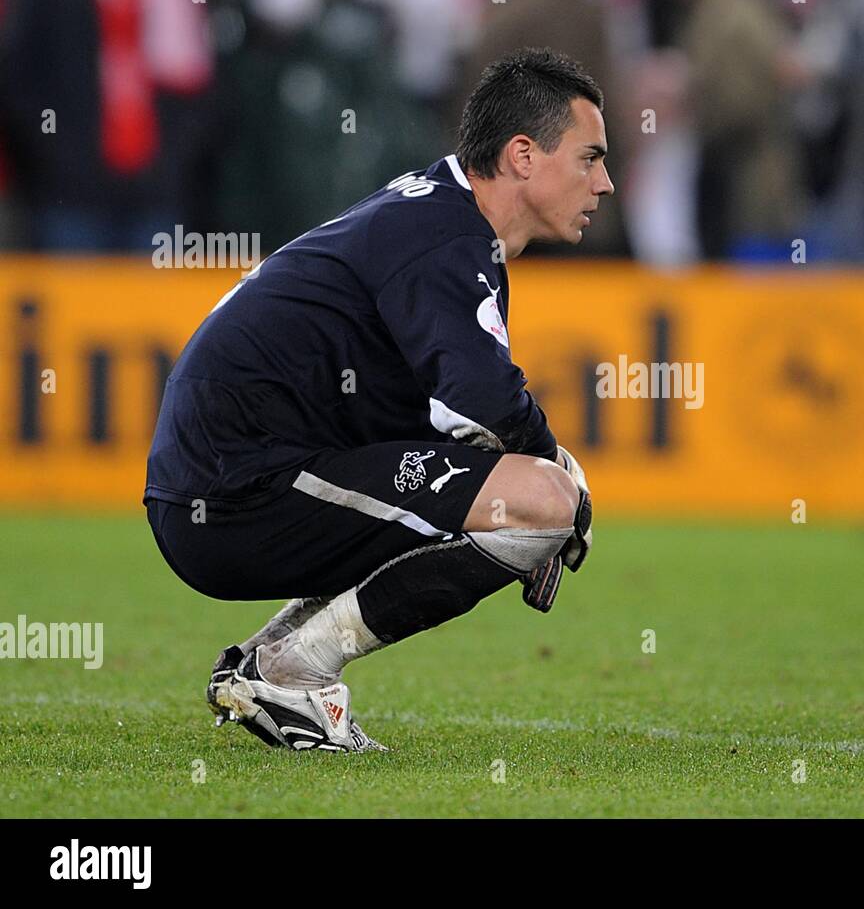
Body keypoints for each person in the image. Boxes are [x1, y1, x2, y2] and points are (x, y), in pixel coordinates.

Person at [143, 48, 613, 752]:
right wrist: (560, 478)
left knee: (513, 491)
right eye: (590, 158)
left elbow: (443, 420)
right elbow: (481, 403)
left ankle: (263, 662)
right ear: (522, 155)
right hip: (235, 489)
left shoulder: (435, 214)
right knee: (542, 501)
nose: (605, 183)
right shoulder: (446, 238)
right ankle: (292, 668)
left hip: (223, 481)